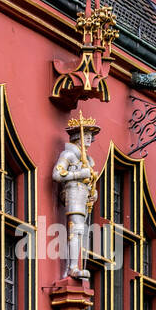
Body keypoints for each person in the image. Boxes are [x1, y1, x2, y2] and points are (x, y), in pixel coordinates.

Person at [53, 114, 100, 280]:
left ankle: (73, 266)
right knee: (76, 229)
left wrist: (93, 193)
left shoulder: (86, 159)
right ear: (77, 137)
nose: (89, 138)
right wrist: (81, 173)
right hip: (73, 193)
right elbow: (57, 174)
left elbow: (88, 181)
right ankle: (72, 267)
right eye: (86, 135)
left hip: (82, 195)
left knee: (80, 231)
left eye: (90, 136)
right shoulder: (70, 154)